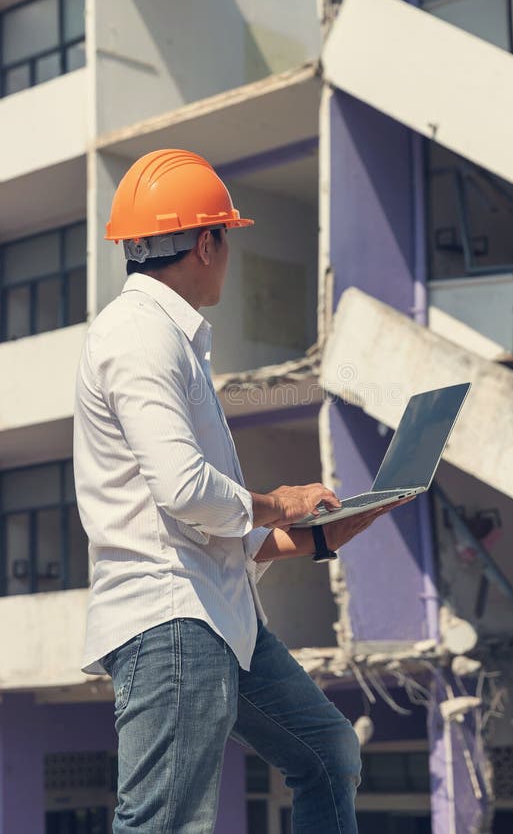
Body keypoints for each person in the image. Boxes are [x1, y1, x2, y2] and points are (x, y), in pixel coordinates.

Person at [74, 149, 412, 833]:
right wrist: (283, 501)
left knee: (327, 752)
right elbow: (185, 491)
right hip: (173, 621)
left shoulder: (168, 337)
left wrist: (315, 538)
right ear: (207, 243)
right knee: (164, 822)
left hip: (220, 618)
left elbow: (203, 526)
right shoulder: (140, 336)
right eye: (226, 236)